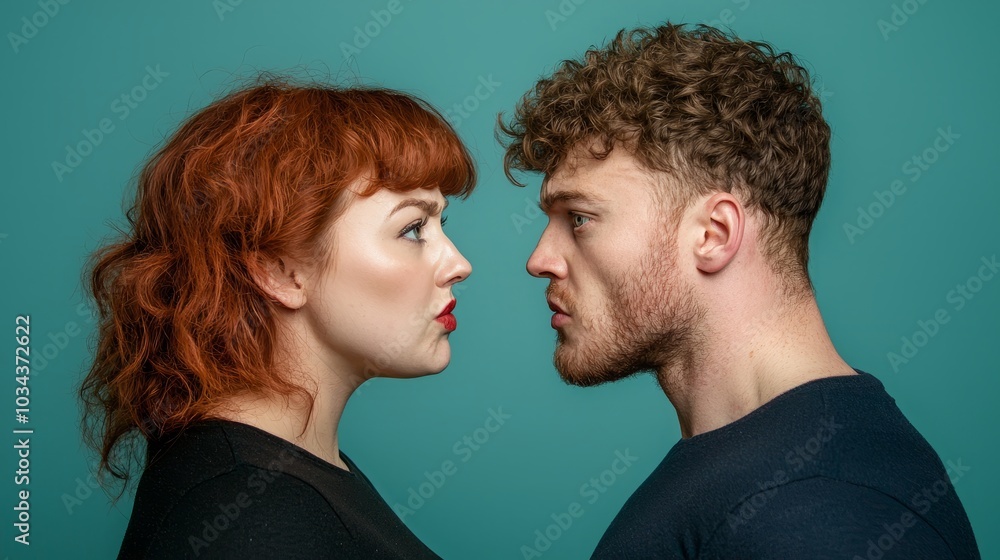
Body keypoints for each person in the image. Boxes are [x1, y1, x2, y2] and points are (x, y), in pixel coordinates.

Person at [499, 23, 980, 559]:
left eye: (580, 218)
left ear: (714, 235)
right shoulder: (761, 476)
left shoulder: (820, 513)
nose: (539, 260)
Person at [80, 78, 475, 559]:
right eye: (413, 229)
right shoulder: (251, 516)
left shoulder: (293, 472)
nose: (458, 264)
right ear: (279, 271)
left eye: (441, 224)